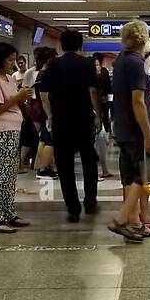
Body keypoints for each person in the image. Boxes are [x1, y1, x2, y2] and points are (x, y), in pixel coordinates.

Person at [41, 30, 102, 222]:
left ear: (61, 45)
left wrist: (50, 116)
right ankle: (90, 202)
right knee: (89, 161)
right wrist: (98, 115)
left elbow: (43, 95)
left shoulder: (53, 65)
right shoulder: (86, 64)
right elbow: (92, 91)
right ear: (80, 45)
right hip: (83, 118)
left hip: (61, 119)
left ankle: (73, 208)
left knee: (65, 164)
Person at [108, 20, 150, 242]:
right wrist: (148, 135)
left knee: (130, 177)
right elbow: (138, 101)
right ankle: (121, 219)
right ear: (142, 39)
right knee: (143, 177)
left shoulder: (120, 61)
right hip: (137, 130)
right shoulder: (137, 64)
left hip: (123, 128)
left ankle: (133, 221)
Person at [0, 42, 34, 233]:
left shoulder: (9, 79)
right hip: (2, 131)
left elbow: (12, 103)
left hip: (14, 128)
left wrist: (21, 98)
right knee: (1, 175)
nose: (13, 63)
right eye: (10, 60)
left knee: (11, 175)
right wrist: (16, 98)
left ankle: (8, 212)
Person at [31, 46, 59, 179]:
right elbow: (44, 97)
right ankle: (44, 169)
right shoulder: (44, 75)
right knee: (50, 141)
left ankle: (41, 166)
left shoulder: (41, 75)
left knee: (44, 139)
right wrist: (50, 116)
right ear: (48, 59)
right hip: (47, 113)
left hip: (44, 113)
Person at [93, 53, 114, 179]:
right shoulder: (89, 80)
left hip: (103, 111)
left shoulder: (104, 75)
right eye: (95, 65)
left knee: (102, 139)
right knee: (100, 140)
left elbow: (109, 90)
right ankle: (103, 170)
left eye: (98, 65)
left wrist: (109, 103)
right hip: (92, 114)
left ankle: (104, 169)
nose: (98, 67)